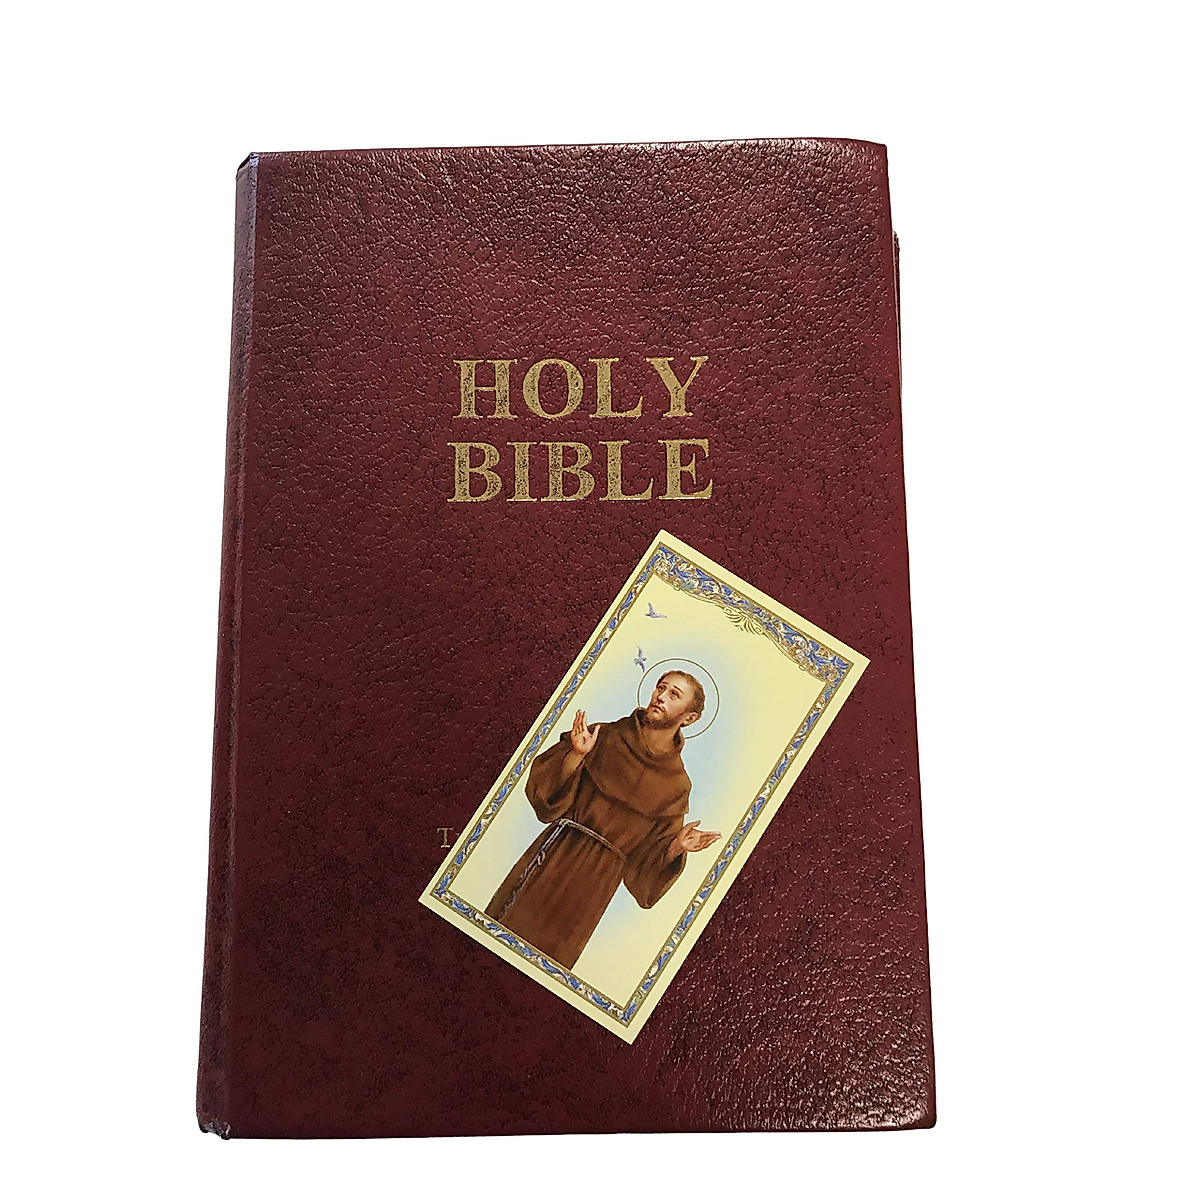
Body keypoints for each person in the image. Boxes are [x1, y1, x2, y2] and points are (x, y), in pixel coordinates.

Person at [484, 671, 721, 969]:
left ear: (689, 718)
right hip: (556, 853)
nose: (660, 696)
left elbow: (644, 874)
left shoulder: (677, 786)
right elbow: (545, 798)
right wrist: (577, 754)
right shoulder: (603, 736)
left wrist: (677, 847)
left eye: (674, 695)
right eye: (660, 688)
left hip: (597, 884)